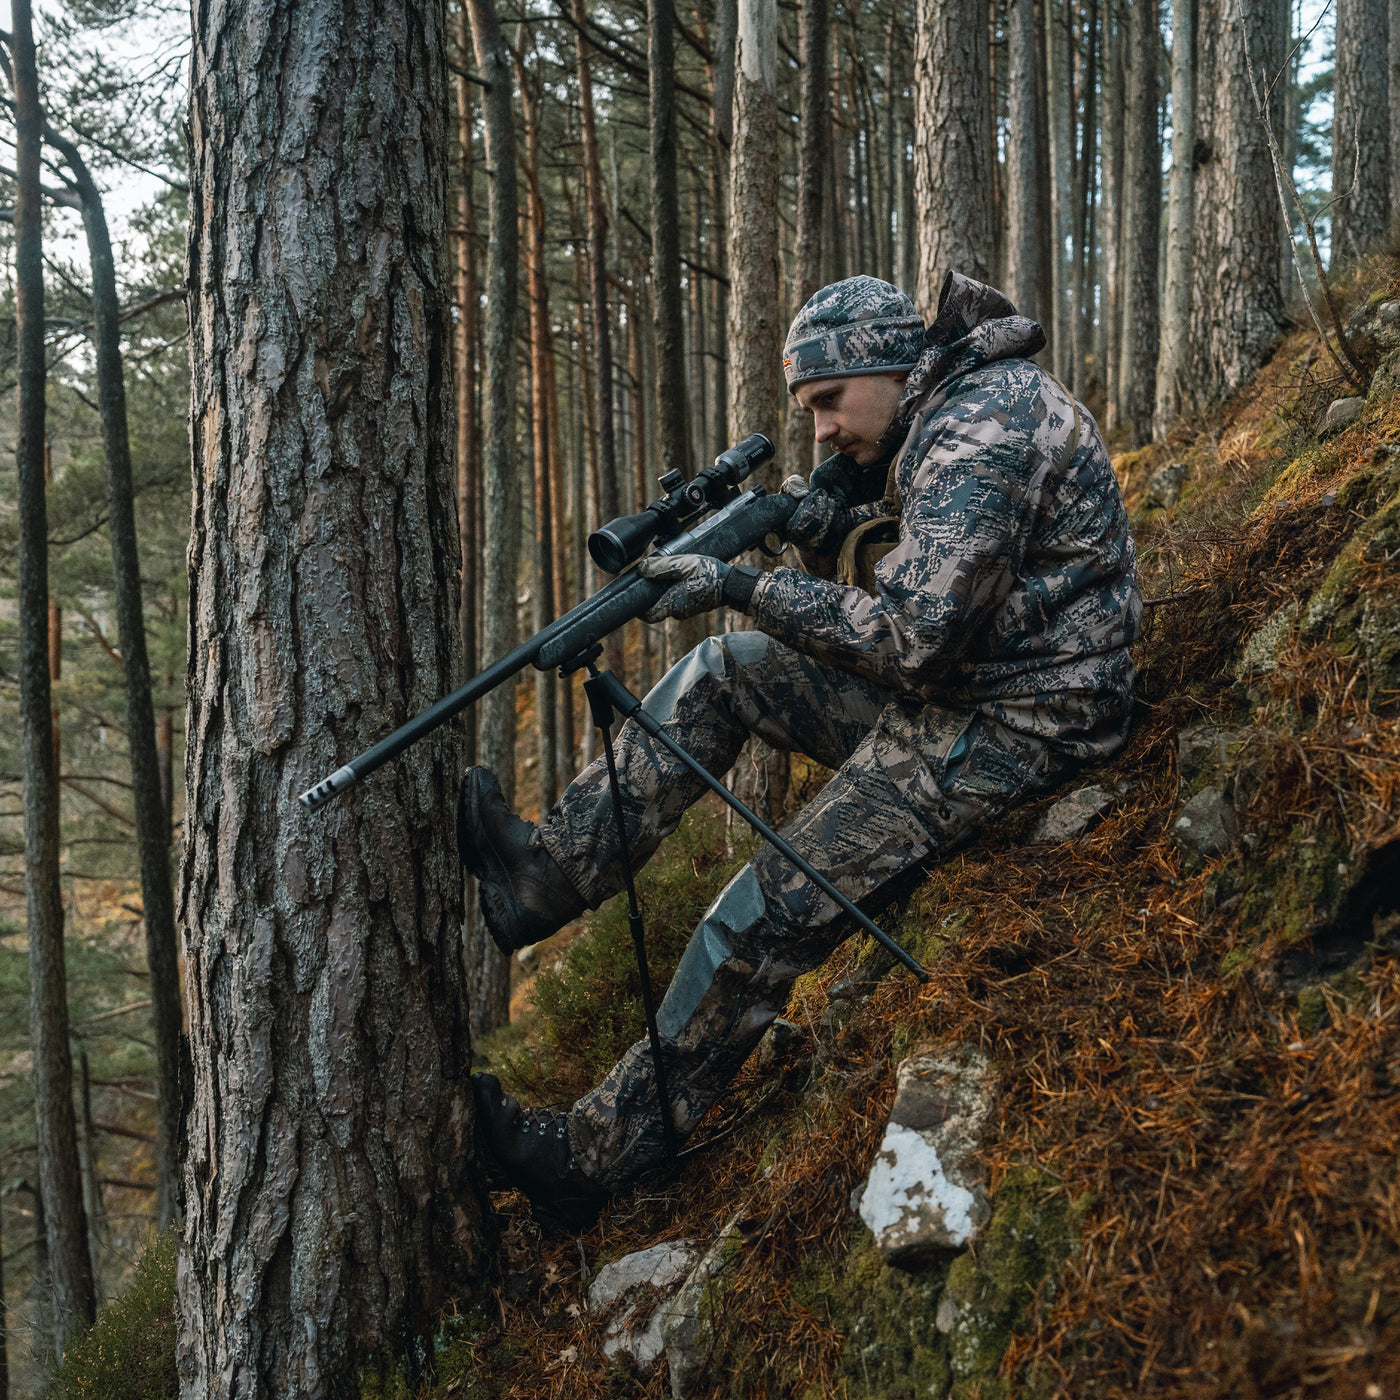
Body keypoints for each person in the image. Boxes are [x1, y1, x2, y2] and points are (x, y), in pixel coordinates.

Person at [462, 272, 1141, 1231]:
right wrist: (825, 533)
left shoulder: (982, 426)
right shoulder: (945, 413)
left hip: (1022, 727)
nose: (820, 430)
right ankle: (545, 877)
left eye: (829, 401)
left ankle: (587, 1158)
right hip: (971, 692)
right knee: (725, 670)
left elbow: (912, 638)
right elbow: (930, 583)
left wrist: (741, 585)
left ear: (893, 367)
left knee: (761, 910)